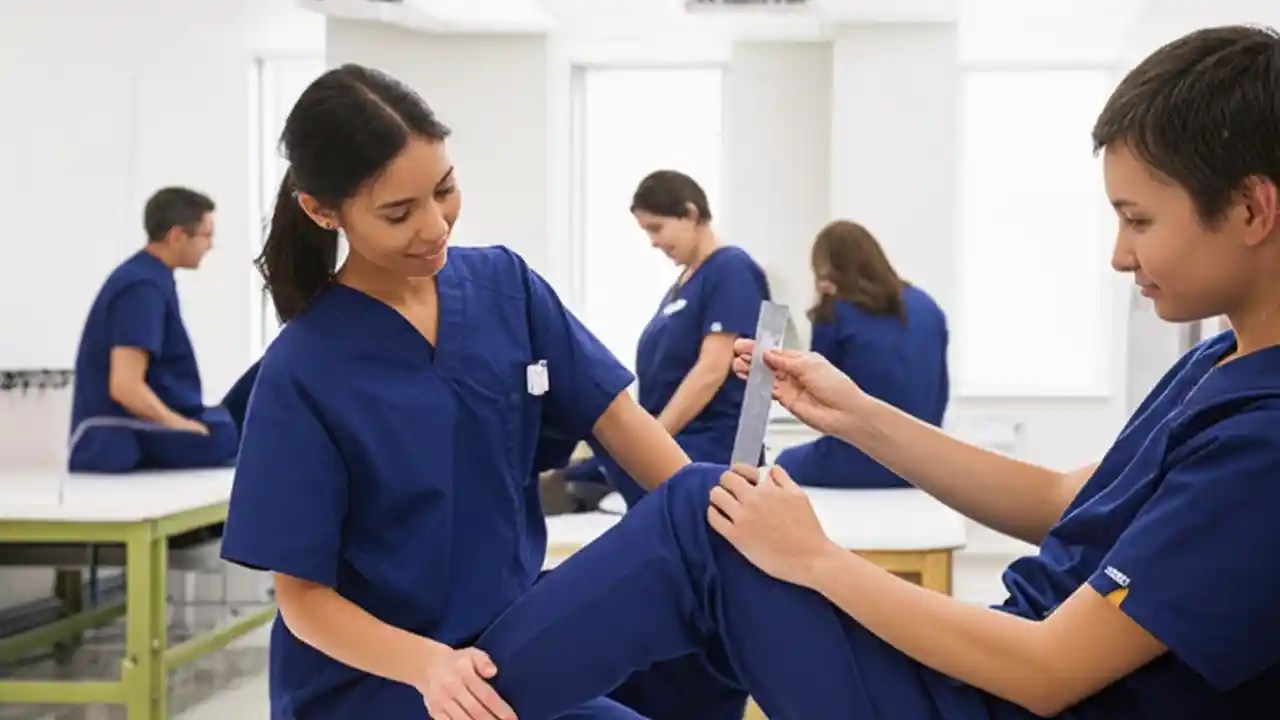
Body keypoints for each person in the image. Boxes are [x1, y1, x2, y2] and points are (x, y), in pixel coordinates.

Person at [355, 24, 1278, 720]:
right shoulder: (1217, 362)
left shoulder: (1264, 442)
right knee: (702, 537)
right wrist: (861, 415)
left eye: (1139, 220)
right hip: (984, 669)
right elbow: (1063, 500)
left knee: (699, 518)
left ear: (1250, 209)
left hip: (992, 699)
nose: (1120, 255)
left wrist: (818, 561)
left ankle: (445, 703)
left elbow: (1047, 672)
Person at [218, 64, 689, 720]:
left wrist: (713, 512)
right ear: (322, 211)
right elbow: (302, 600)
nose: (436, 225)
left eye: (444, 190)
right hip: (378, 684)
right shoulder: (303, 370)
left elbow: (617, 419)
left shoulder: (506, 287)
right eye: (398, 213)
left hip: (503, 654)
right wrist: (428, 667)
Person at [596, 171, 770, 510]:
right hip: (676, 438)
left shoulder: (731, 268)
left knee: (603, 465)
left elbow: (711, 371)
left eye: (656, 228)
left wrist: (650, 441)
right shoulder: (682, 286)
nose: (653, 242)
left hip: (710, 446)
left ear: (690, 213)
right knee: (584, 461)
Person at [68, 187, 240, 473]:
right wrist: (180, 425)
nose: (210, 246)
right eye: (206, 235)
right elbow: (125, 386)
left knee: (235, 418)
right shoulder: (141, 288)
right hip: (115, 435)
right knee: (227, 435)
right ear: (177, 236)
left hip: (139, 425)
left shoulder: (152, 277)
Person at [774, 220, 948, 489]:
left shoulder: (834, 313)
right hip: (923, 465)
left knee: (782, 460)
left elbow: (819, 395)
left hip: (861, 460)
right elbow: (939, 393)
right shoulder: (928, 307)